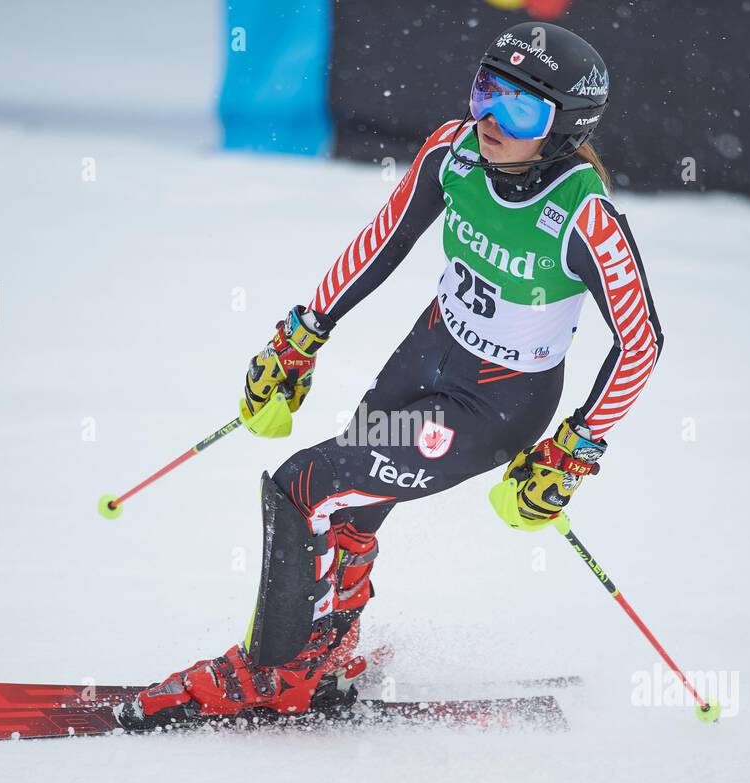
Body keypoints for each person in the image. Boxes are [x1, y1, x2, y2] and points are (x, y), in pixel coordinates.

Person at [126, 21, 662, 726]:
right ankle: (330, 648)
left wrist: (575, 447)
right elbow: (384, 239)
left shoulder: (583, 217)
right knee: (349, 508)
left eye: (521, 108)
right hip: (426, 355)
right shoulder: (454, 152)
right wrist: (303, 334)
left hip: (494, 405)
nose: (491, 117)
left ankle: (268, 671)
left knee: (303, 485)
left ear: (563, 128)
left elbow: (641, 342)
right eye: (486, 90)